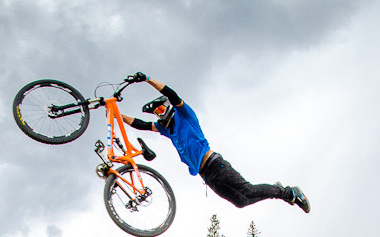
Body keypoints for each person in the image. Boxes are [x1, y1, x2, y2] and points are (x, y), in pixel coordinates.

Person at [121, 73, 310, 213]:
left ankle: (289, 192)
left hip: (216, 165)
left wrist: (147, 79)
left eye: (161, 108)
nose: (160, 113)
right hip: (207, 177)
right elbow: (141, 125)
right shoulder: (166, 129)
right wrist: (115, 114)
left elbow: (171, 93)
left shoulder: (184, 115)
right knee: (241, 202)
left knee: (249, 190)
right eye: (157, 112)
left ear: (168, 106)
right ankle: (274, 189)